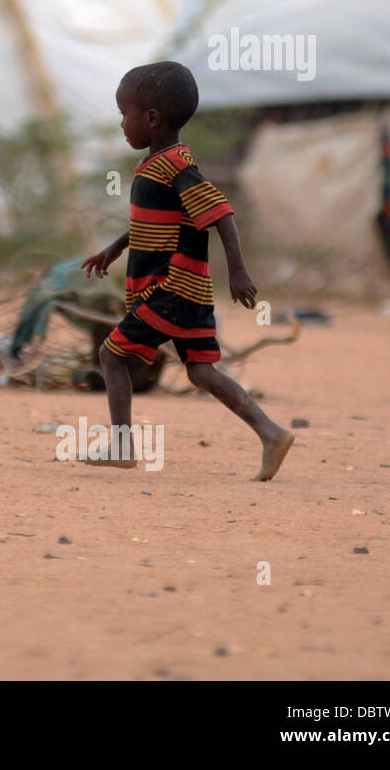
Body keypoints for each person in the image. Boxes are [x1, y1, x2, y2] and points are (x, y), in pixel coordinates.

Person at [80, 62, 294, 480]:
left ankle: (122, 445)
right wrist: (113, 249)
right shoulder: (157, 166)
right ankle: (271, 433)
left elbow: (221, 213)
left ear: (152, 119)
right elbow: (150, 224)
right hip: (187, 291)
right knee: (200, 370)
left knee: (111, 353)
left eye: (125, 114)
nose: (122, 123)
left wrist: (238, 272)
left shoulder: (176, 166)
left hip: (171, 288)